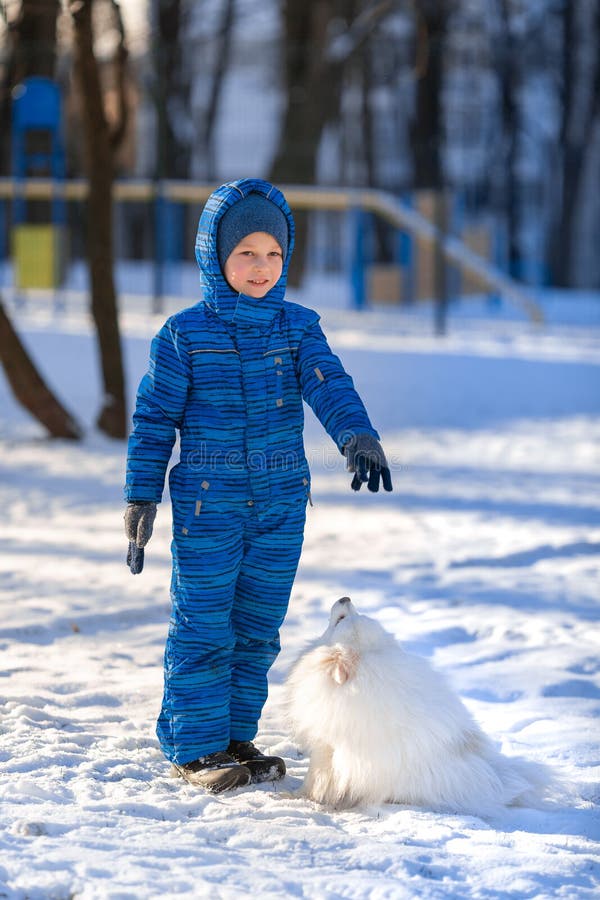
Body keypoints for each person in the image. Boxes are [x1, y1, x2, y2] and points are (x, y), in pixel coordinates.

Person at [124, 179, 392, 793]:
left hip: (279, 505)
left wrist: (358, 436)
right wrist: (141, 494)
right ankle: (195, 747)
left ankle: (236, 735)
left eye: (274, 254)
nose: (262, 267)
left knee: (258, 627)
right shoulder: (184, 335)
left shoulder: (297, 327)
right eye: (246, 252)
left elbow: (329, 382)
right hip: (208, 506)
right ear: (215, 256)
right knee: (203, 625)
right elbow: (154, 419)